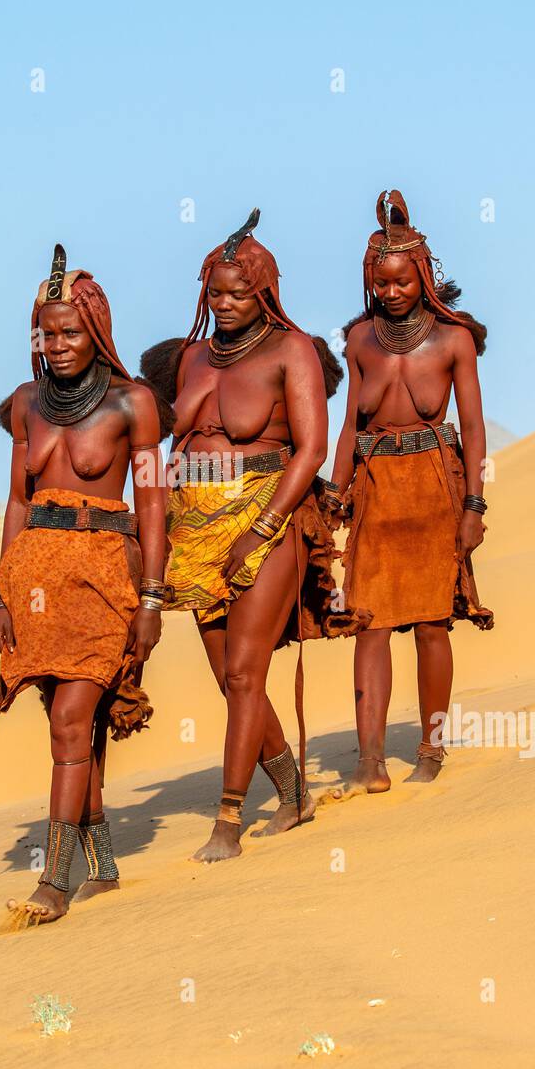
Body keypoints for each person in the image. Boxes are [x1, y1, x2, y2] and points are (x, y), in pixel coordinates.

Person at [0, 245, 167, 926]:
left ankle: (54, 883)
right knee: (70, 726)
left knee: (71, 720)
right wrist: (1, 594)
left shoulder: (134, 402)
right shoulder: (26, 404)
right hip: (35, 578)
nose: (57, 345)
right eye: (46, 333)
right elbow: (15, 503)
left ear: (97, 331)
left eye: (70, 332)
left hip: (103, 575)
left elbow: (152, 504)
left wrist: (152, 597)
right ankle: (105, 868)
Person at [143, 209, 368, 864]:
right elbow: (160, 444)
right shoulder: (186, 359)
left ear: (265, 289)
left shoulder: (291, 351)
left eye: (240, 292)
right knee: (229, 678)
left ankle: (228, 822)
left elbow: (312, 449)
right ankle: (294, 792)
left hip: (267, 514)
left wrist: (264, 529)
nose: (226, 303)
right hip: (194, 525)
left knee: (245, 674)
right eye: (216, 292)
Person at [326, 190, 493, 795]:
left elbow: (472, 427)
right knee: (367, 623)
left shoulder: (454, 340)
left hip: (432, 487)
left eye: (401, 281)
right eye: (382, 282)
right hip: (374, 488)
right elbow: (351, 423)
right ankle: (369, 761)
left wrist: (475, 504)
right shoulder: (361, 340)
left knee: (430, 624)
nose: (392, 292)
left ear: (421, 275)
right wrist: (335, 491)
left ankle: (432, 747)